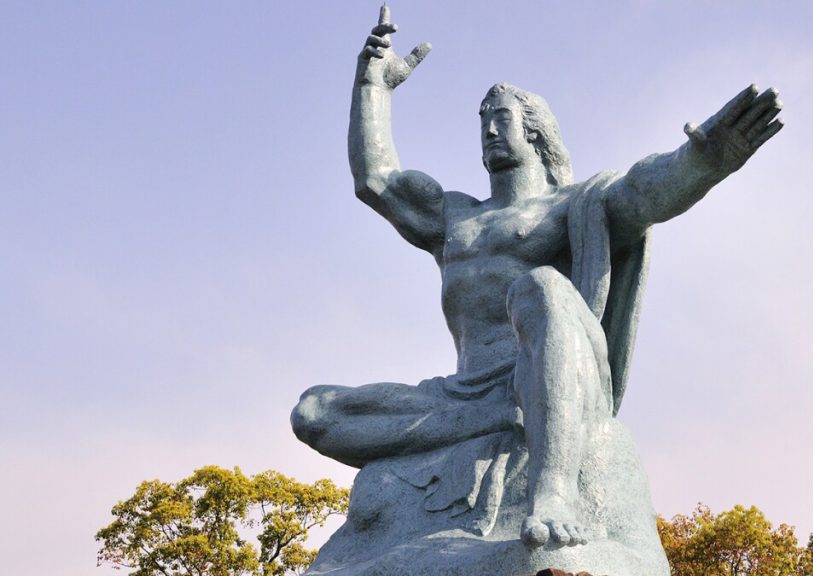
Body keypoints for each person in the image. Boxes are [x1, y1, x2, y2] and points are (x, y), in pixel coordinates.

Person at [291, 5, 783, 550]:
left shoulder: (576, 204)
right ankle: (498, 413)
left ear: (535, 129)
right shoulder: (454, 217)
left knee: (543, 286)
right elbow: (376, 180)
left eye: (501, 117)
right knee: (315, 412)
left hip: (555, 369)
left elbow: (645, 190)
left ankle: (554, 489)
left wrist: (705, 161)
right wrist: (372, 88)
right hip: (465, 394)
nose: (490, 130)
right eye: (482, 120)